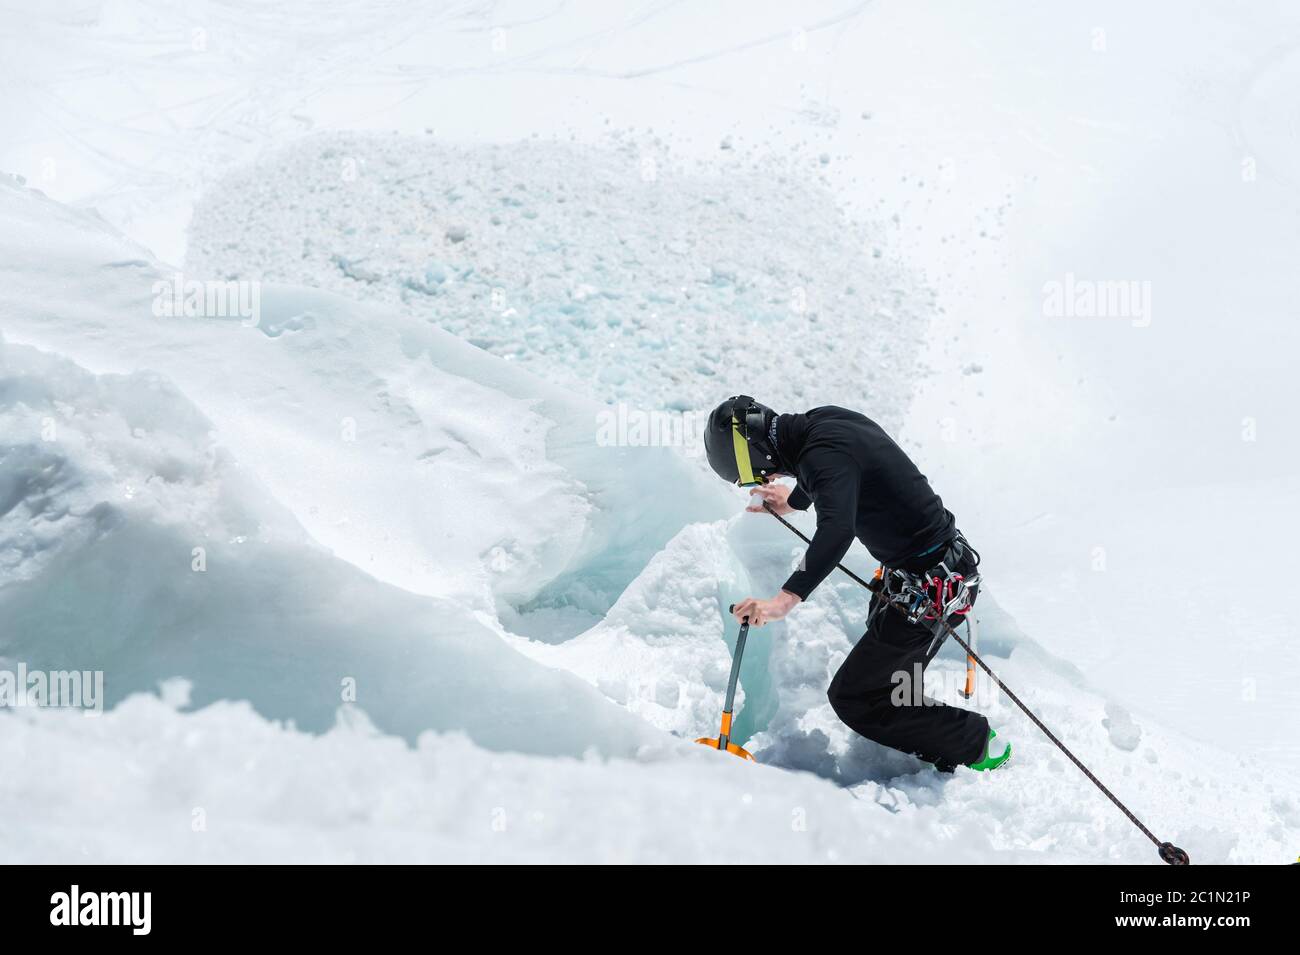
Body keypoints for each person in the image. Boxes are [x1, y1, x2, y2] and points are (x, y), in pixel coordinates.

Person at [703, 395, 1010, 773]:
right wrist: (795, 502)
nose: (764, 481)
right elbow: (835, 473)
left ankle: (977, 744)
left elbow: (837, 529)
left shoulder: (822, 458)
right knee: (888, 678)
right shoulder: (824, 422)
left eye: (751, 474)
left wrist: (782, 602)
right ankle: (918, 722)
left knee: (856, 698)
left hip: (933, 588)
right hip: (930, 575)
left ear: (757, 453)